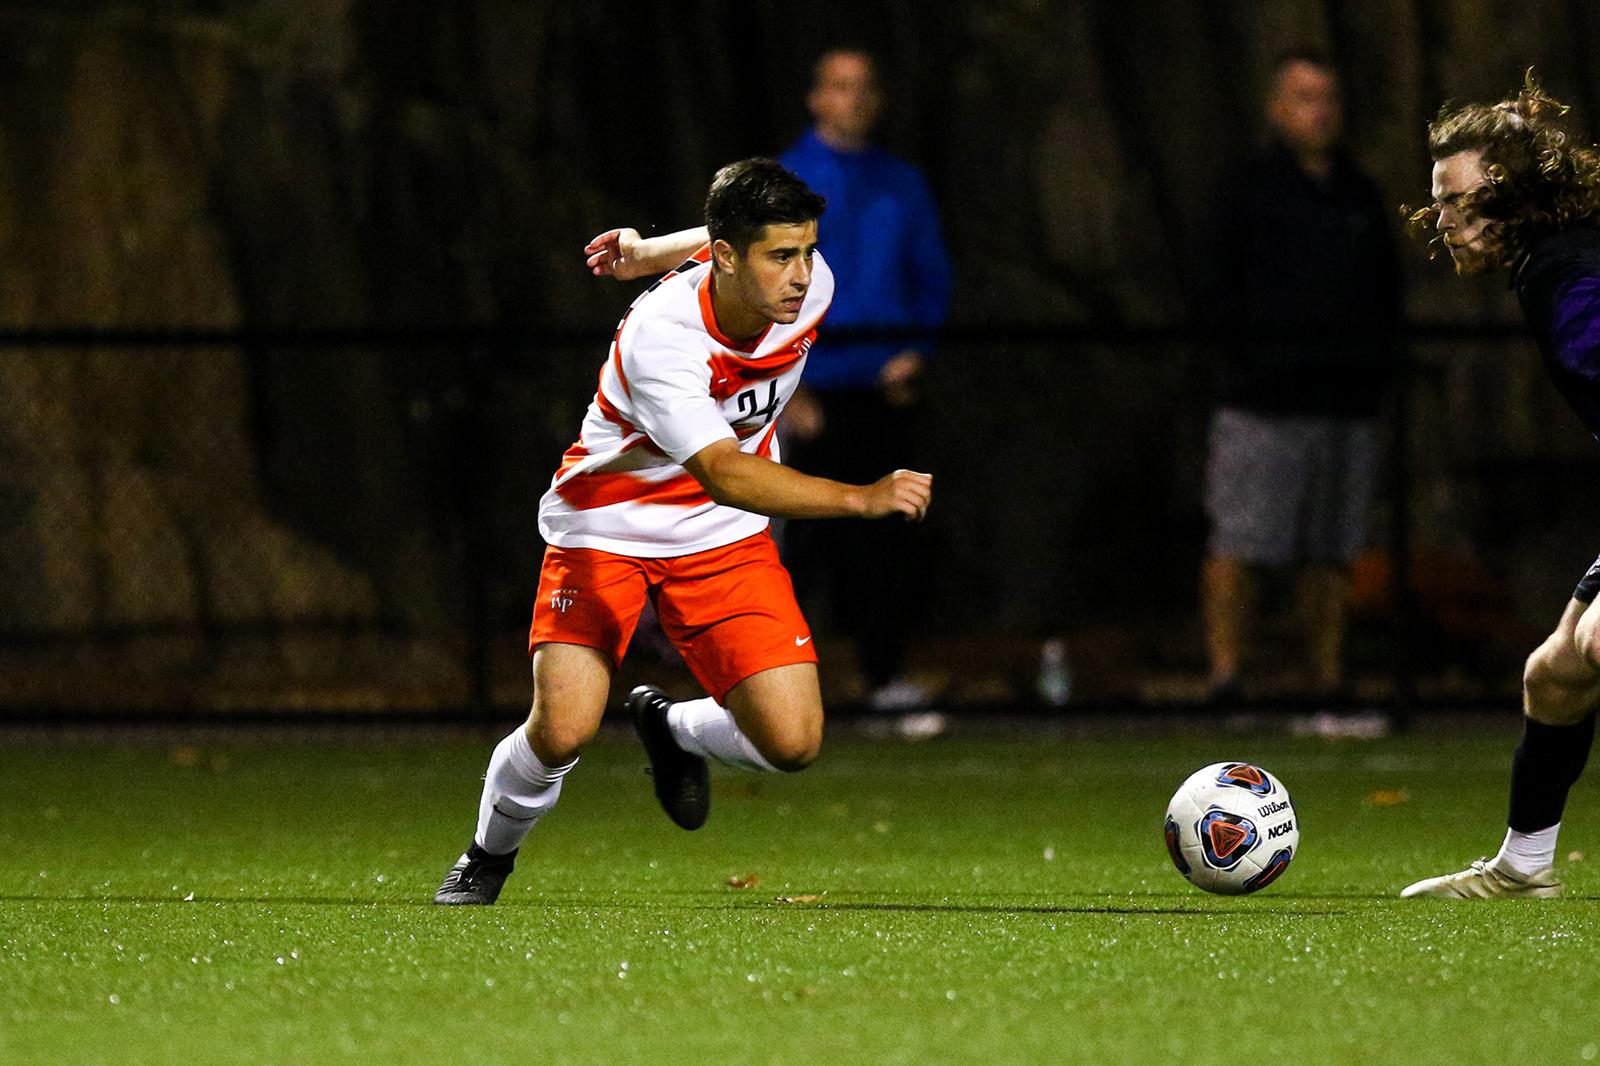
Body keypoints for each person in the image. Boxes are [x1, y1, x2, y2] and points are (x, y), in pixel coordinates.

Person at [435, 159, 933, 905]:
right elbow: (726, 471)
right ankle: (487, 855)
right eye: (781, 257)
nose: (803, 275)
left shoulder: (804, 282)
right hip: (607, 523)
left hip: (717, 536)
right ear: (730, 261)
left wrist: (645, 250)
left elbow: (723, 237)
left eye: (806, 250)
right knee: (564, 728)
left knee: (794, 743)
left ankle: (671, 728)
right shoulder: (660, 337)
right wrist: (859, 499)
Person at [1400, 73, 1600, 899]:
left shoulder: (1572, 277)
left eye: (1454, 198)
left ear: (1511, 194)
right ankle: (1523, 868)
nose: (1439, 217)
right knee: (1554, 675)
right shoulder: (1551, 263)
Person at [1200, 49, 1403, 700]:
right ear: (1276, 107)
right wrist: (1244, 362)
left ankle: (1326, 679)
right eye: (1304, 97)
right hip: (1263, 399)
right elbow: (1214, 285)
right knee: (1241, 539)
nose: (1320, 112)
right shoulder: (1247, 189)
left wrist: (1371, 374)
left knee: (1332, 550)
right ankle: (1227, 676)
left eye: (1329, 98)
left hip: (1344, 401)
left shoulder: (1360, 195)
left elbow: (1385, 294)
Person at [777, 47, 953, 711]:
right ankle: (775, 687)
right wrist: (788, 385)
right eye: (839, 87)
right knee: (799, 547)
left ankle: (881, 676)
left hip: (883, 389)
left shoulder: (901, 182)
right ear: (816, 97)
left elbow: (930, 275)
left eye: (863, 87)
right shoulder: (783, 180)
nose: (852, 99)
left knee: (884, 539)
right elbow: (751, 289)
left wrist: (916, 349)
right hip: (807, 398)